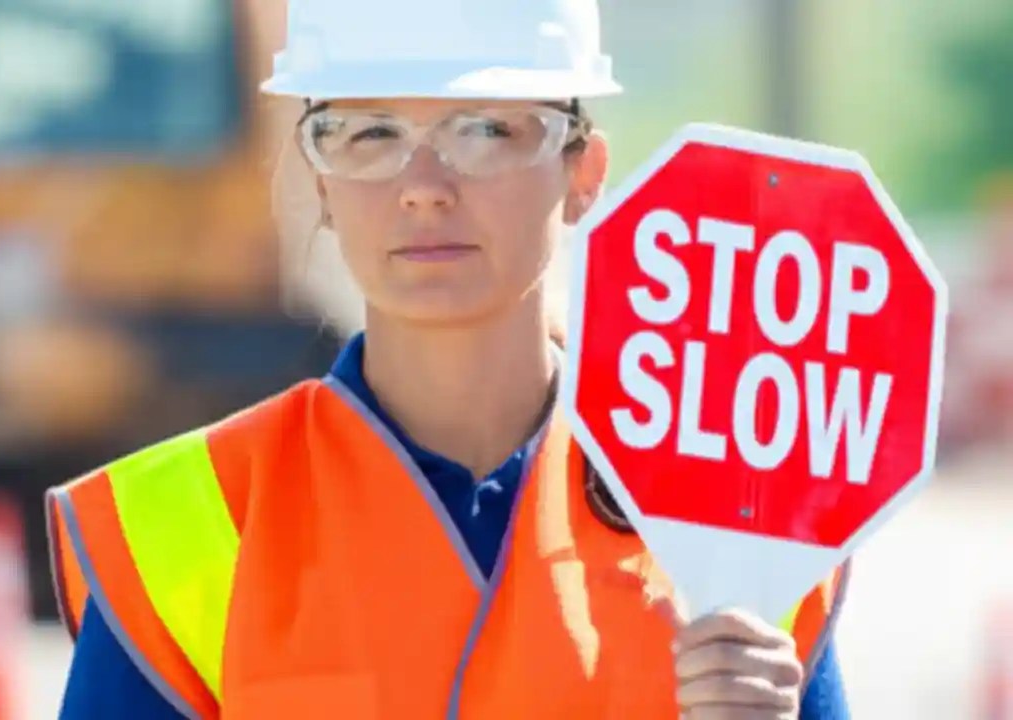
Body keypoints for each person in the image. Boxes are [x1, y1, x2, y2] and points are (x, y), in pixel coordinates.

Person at [46, 0, 852, 717]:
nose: (424, 185)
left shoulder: (728, 518)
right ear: (320, 185)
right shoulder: (188, 527)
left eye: (489, 129)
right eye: (369, 133)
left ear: (585, 173)